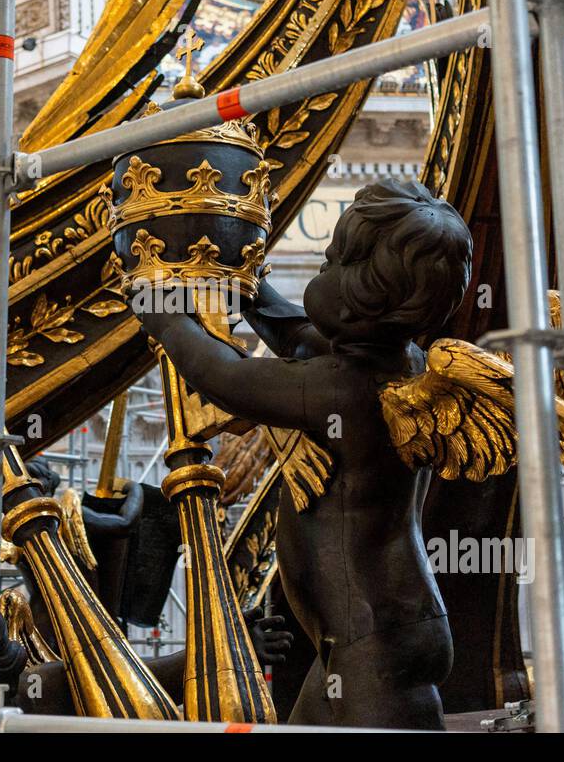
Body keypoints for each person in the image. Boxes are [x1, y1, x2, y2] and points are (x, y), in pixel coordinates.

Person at [133, 177, 473, 728]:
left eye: (333, 261)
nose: (323, 269)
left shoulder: (344, 389)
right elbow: (297, 336)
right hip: (368, 633)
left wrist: (162, 314)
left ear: (368, 293)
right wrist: (246, 283)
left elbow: (224, 376)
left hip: (372, 640)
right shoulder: (399, 363)